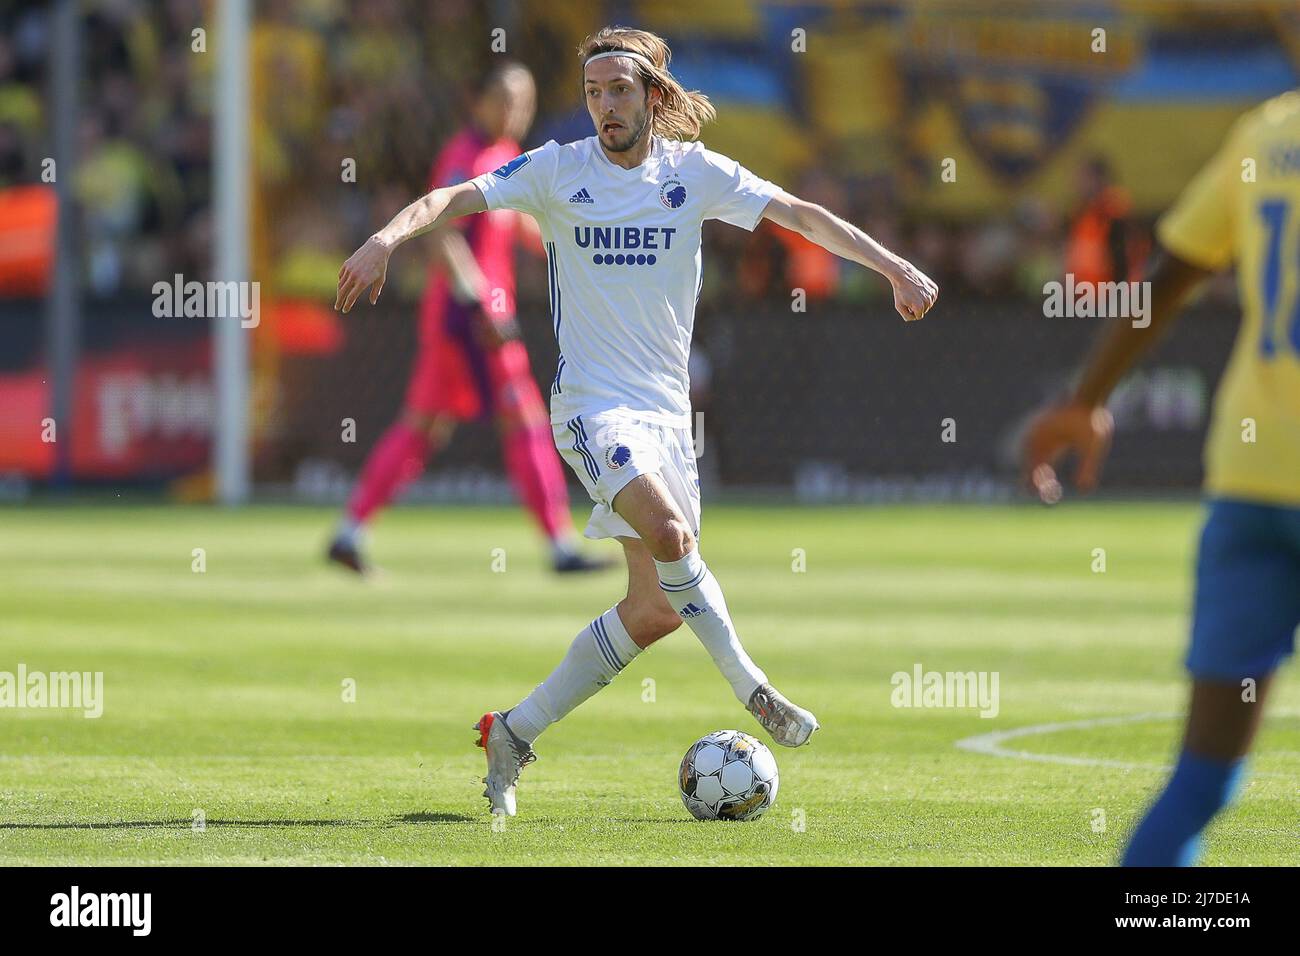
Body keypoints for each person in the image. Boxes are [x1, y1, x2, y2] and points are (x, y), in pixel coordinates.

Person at [334, 26, 937, 816]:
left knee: (655, 607)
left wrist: (891, 265)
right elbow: (451, 196)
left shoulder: (694, 174)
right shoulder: (558, 170)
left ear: (653, 96)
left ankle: (513, 731)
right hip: (591, 406)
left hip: (665, 418)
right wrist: (384, 239)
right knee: (675, 540)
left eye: (619, 90)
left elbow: (800, 214)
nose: (604, 106)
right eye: (593, 92)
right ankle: (752, 688)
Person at [1024, 92, 1300, 865]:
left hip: (1252, 484)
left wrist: (1086, 401)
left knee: (1203, 781)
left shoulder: (1270, 133)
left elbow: (1167, 278)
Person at [328, 60, 610, 575]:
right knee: (523, 419)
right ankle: (559, 545)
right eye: (505, 98)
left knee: (422, 426)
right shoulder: (465, 155)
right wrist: (477, 299)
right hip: (469, 317)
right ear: (478, 101)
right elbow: (442, 233)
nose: (514, 111)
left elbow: (524, 228)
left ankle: (350, 531)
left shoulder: (507, 157)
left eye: (523, 101)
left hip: (470, 315)